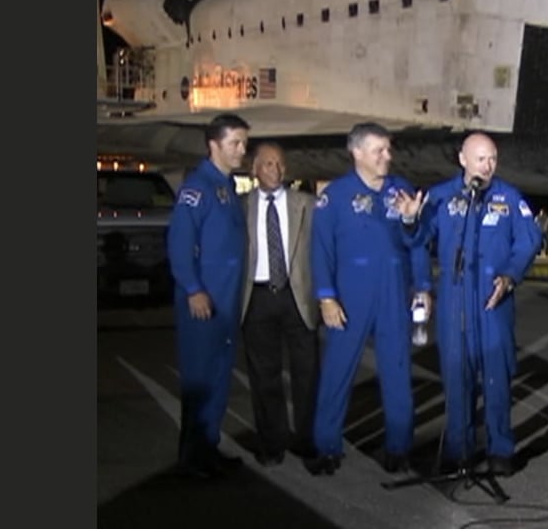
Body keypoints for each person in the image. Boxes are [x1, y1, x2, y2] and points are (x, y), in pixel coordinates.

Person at [401, 132, 542, 476]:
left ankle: (500, 449)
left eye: (493, 158)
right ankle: (458, 449)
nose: (488, 165)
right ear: (463, 159)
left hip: (494, 299)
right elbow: (418, 240)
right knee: (456, 376)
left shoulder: (508, 198)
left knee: (496, 377)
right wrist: (409, 220)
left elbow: (529, 240)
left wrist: (510, 276)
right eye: (481, 159)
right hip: (454, 297)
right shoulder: (441, 197)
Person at [305, 122, 431, 476]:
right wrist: (326, 298)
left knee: (397, 372)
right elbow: (321, 251)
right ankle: (327, 447)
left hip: (394, 292)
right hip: (351, 294)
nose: (386, 157)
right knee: (337, 372)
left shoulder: (401, 191)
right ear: (356, 152)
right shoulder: (335, 197)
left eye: (389, 149)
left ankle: (399, 448)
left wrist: (421, 285)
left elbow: (417, 243)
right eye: (378, 150)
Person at [165, 112, 251, 478]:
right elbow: (180, 244)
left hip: (226, 303)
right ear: (213, 145)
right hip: (203, 303)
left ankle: (209, 447)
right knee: (199, 380)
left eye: (244, 142)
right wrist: (193, 288)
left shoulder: (227, 187)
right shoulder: (197, 188)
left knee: (218, 378)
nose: (242, 150)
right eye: (235, 143)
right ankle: (191, 457)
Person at [238, 142, 320, 466]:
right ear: (254, 170)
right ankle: (271, 442)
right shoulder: (241, 206)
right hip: (257, 298)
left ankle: (307, 440)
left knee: (307, 373)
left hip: (297, 296)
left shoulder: (307, 205)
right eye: (268, 164)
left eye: (280, 164)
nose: (276, 170)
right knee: (264, 375)